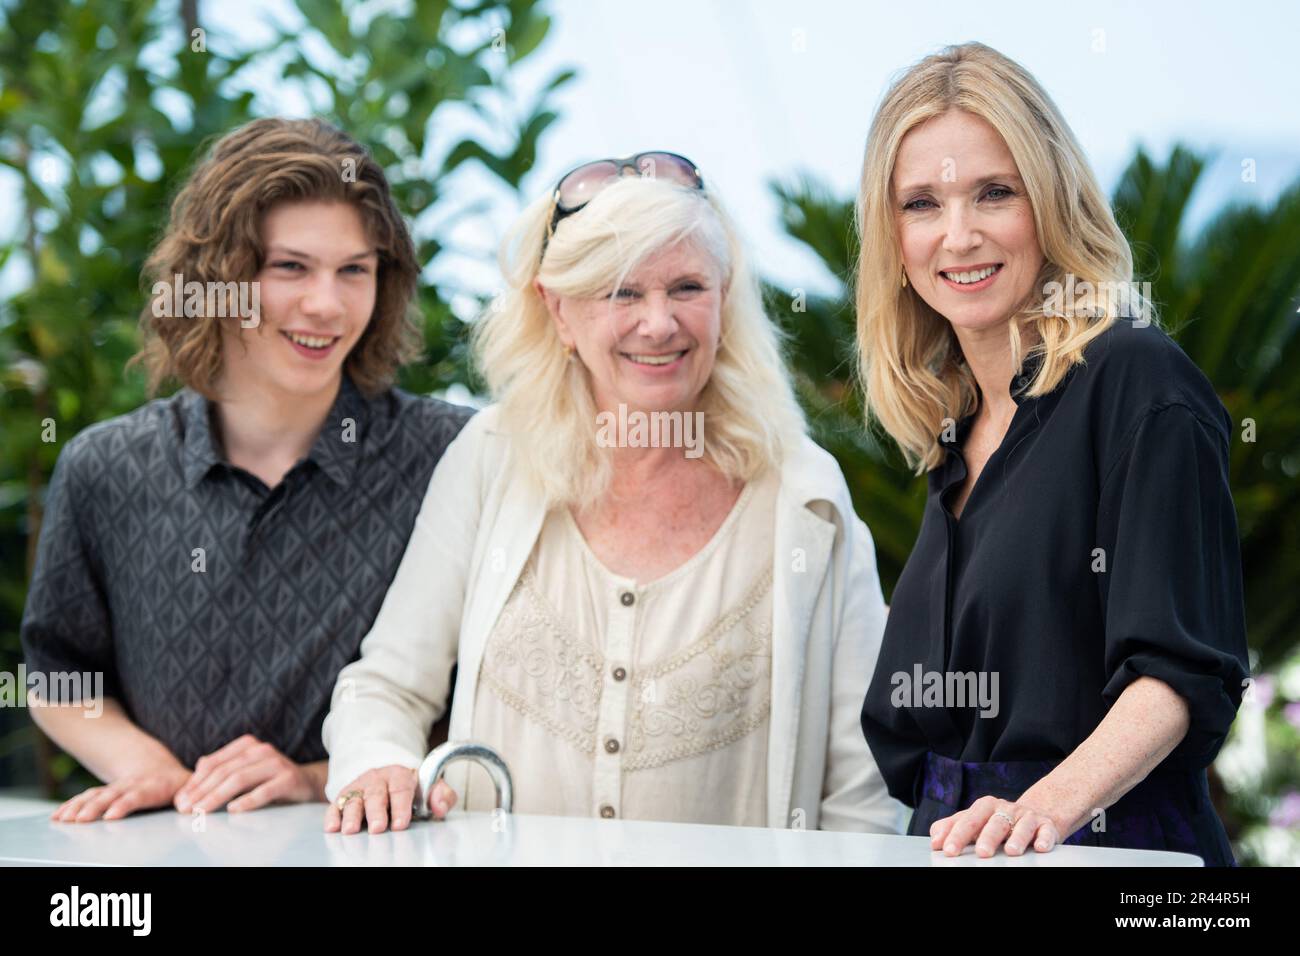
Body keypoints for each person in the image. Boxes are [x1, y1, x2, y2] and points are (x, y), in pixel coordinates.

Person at [322, 153, 904, 836]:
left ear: (724, 297)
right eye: (622, 292)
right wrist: (378, 764)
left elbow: (864, 790)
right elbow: (384, 686)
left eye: (686, 287)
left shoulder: (803, 496)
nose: (658, 324)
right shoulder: (491, 456)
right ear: (559, 313)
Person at [855, 43, 1248, 865]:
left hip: (1116, 855)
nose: (957, 236)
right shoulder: (956, 427)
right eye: (921, 203)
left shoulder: (1138, 380)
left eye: (994, 193)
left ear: (1054, 200)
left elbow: (1179, 670)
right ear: (891, 235)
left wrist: (1042, 810)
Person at [20, 118, 471, 822]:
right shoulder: (104, 468)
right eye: (289, 267)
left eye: (355, 270)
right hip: (169, 857)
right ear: (217, 278)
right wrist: (152, 772)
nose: (326, 304)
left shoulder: (453, 457)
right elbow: (59, 675)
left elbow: (498, 698)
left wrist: (314, 777)